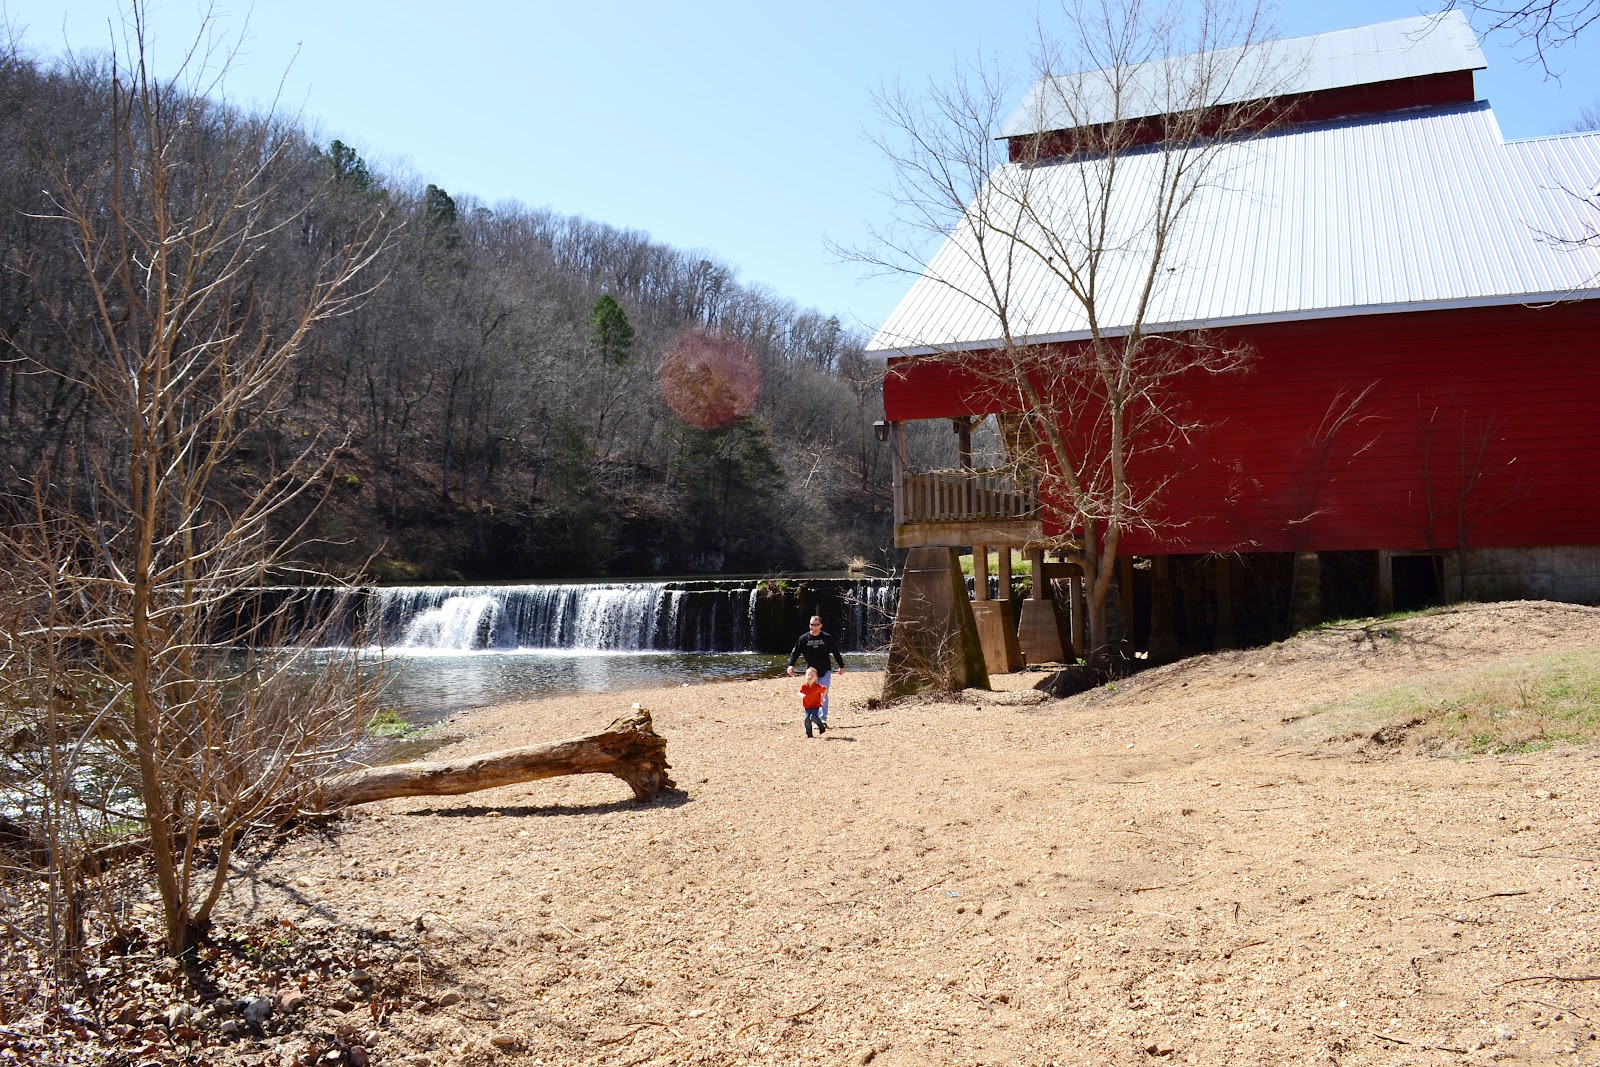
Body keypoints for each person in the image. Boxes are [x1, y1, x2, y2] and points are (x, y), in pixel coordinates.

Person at [787, 615, 845, 727]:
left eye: (816, 625)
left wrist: (841, 666)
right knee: (812, 694)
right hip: (811, 673)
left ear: (821, 626)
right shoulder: (803, 639)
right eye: (811, 625)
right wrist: (791, 665)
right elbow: (795, 652)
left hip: (825, 670)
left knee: (823, 693)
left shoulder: (827, 638)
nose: (813, 627)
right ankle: (814, 717)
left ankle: (822, 719)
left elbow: (835, 652)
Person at [798, 667, 827, 737]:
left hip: (815, 705)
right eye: (808, 675)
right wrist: (801, 695)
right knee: (806, 719)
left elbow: (825, 689)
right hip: (807, 705)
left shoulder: (818, 687)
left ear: (816, 678)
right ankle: (809, 733)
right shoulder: (804, 686)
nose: (810, 677)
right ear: (805, 676)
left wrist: (822, 698)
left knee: (813, 717)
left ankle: (821, 726)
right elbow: (799, 692)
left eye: (812, 675)